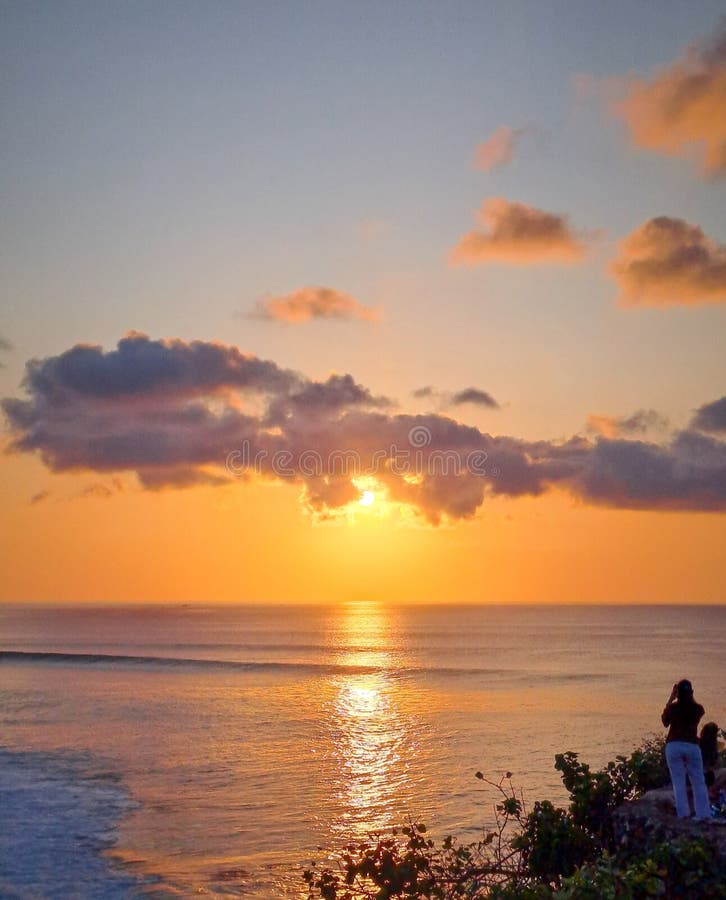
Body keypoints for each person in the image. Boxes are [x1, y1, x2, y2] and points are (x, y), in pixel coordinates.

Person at [661, 679, 711, 820]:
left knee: (678, 781)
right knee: (698, 781)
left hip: (674, 745)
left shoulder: (673, 708)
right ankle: (703, 814)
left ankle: (683, 814)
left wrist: (671, 698)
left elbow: (665, 721)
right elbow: (695, 709)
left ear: (678, 694)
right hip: (691, 745)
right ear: (692, 693)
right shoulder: (698, 709)